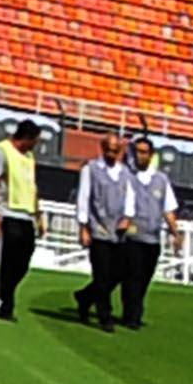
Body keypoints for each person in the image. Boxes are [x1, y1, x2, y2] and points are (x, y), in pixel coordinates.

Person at [68, 136, 141, 325]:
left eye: (115, 150)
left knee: (117, 273)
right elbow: (83, 198)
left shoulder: (125, 173)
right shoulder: (90, 169)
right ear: (102, 148)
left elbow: (130, 199)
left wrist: (127, 217)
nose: (111, 154)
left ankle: (85, 297)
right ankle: (104, 314)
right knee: (101, 274)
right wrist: (83, 227)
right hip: (97, 227)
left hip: (118, 231)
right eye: (108, 149)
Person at [110, 137, 176, 327]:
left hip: (152, 239)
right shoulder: (126, 177)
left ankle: (88, 297)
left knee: (143, 278)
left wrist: (175, 233)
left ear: (151, 155)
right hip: (131, 236)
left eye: (144, 152)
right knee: (132, 277)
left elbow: (168, 209)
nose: (140, 156)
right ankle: (132, 315)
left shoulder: (161, 180)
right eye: (137, 151)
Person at [0, 121, 45, 317]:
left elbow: (31, 187)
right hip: (7, 212)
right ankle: (5, 302)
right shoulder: (2, 150)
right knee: (7, 261)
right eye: (35, 140)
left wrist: (38, 214)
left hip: (26, 215)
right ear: (27, 138)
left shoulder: (29, 158)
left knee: (23, 263)